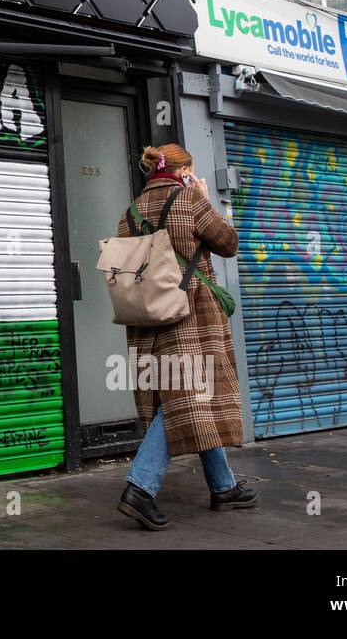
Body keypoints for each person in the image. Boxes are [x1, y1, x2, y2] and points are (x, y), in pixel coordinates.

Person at [115, 143, 257, 530]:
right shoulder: (189, 199)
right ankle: (140, 488)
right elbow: (227, 243)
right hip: (189, 315)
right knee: (189, 394)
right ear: (183, 172)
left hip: (147, 320)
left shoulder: (128, 215)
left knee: (183, 392)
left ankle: (223, 486)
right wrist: (207, 198)